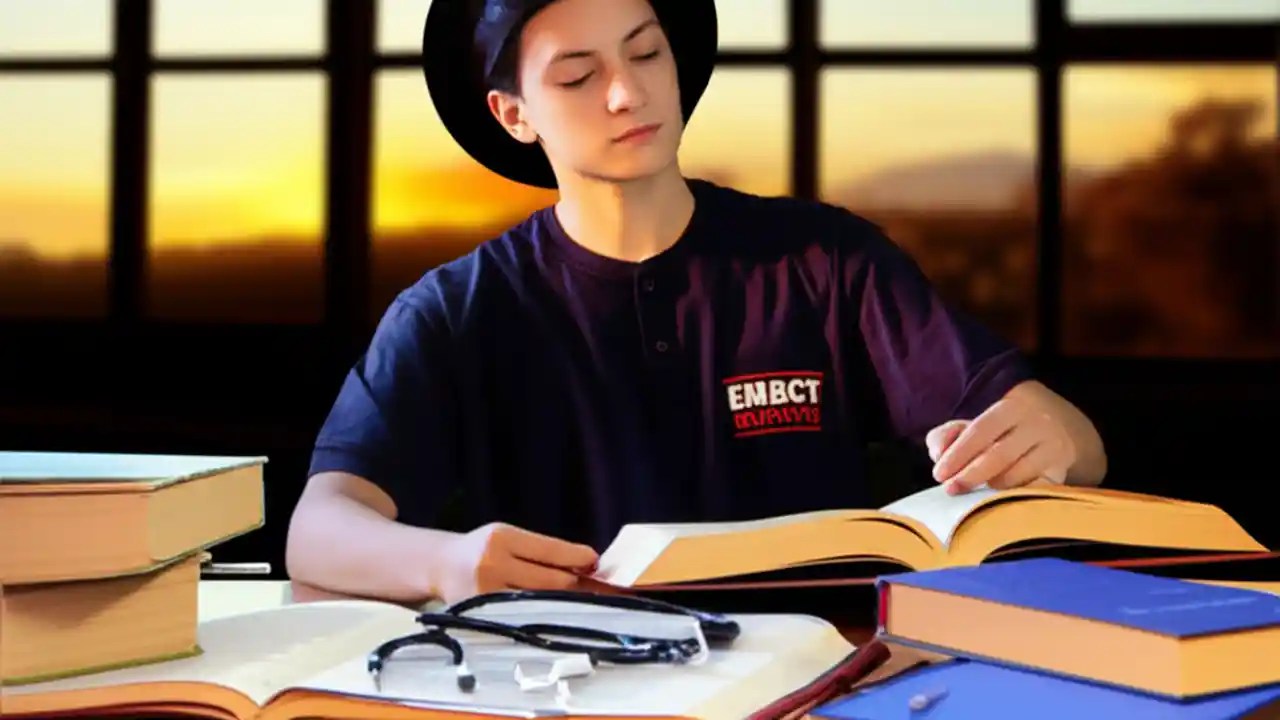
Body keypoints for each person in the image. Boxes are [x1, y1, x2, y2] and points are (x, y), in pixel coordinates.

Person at [285, 0, 1107, 605]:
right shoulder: (458, 310)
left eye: (645, 54)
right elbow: (319, 529)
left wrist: (1053, 439)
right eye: (579, 75)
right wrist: (445, 564)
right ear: (515, 115)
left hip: (827, 672)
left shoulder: (825, 261)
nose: (627, 94)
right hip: (567, 680)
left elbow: (1068, 437)